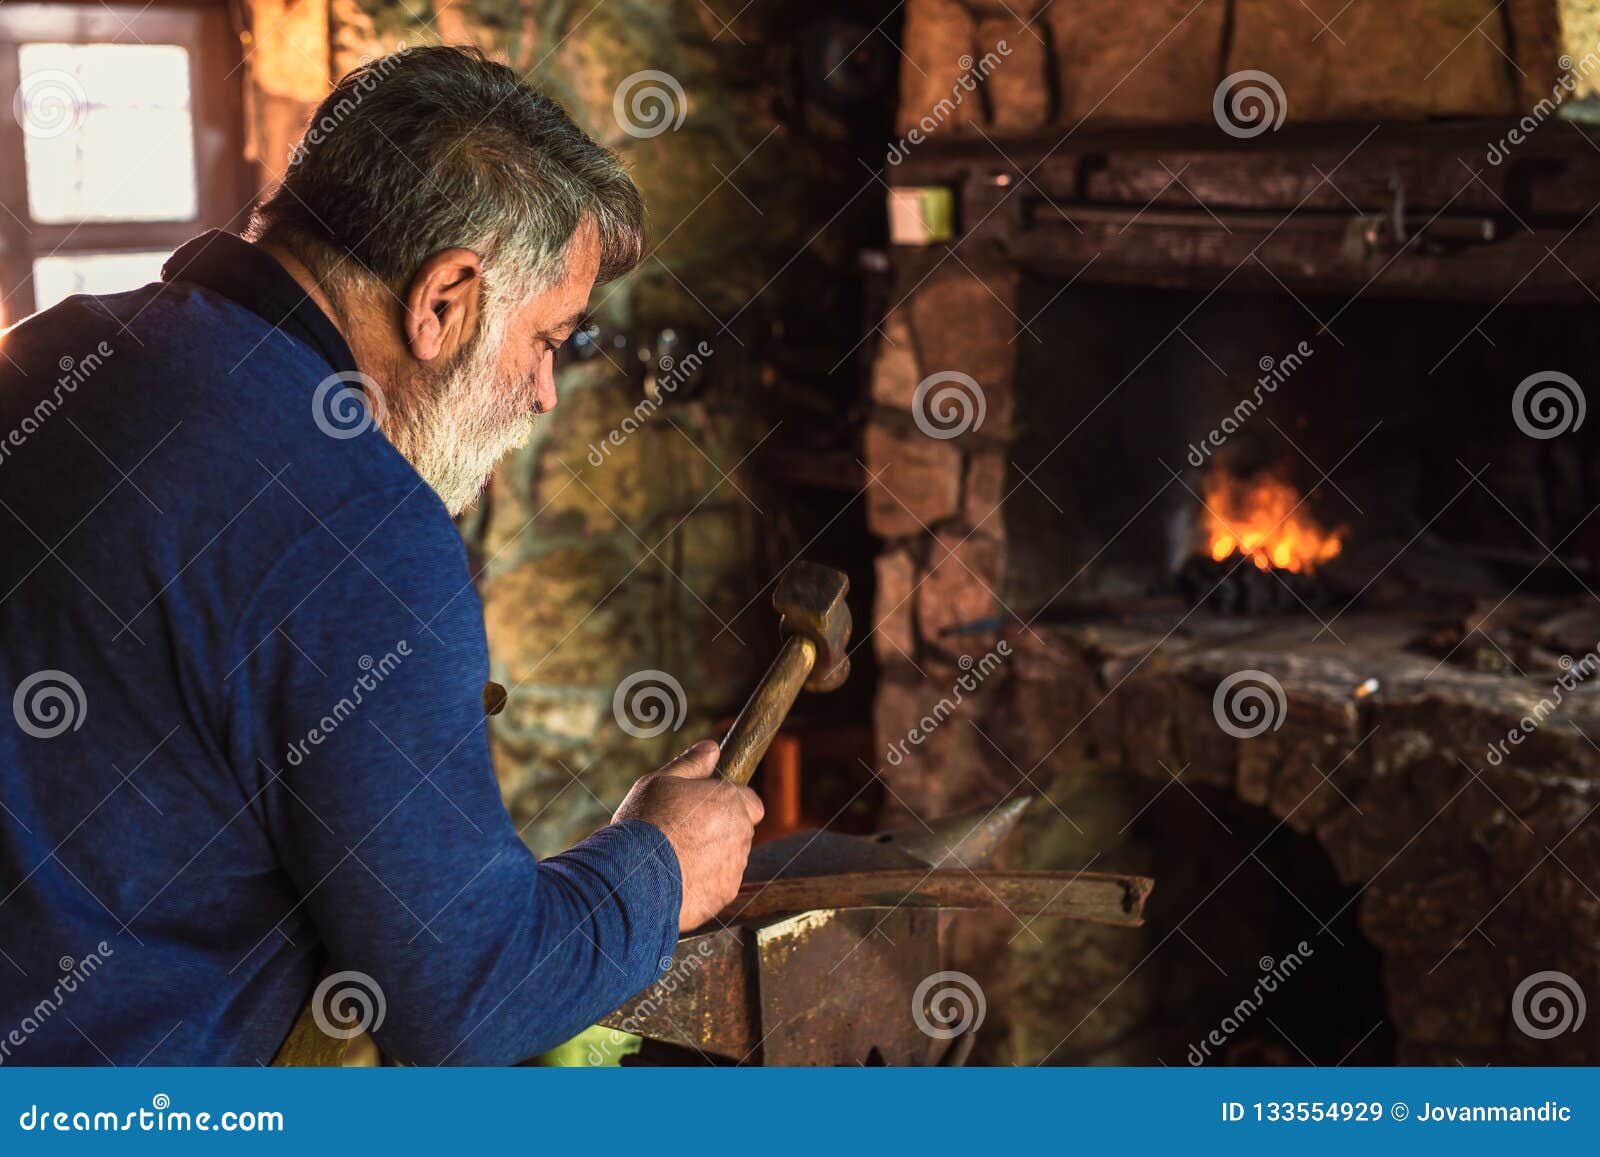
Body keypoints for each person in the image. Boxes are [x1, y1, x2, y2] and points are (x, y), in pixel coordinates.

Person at [0, 46, 761, 1066]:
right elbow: (466, 1000)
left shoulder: (53, 351)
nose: (543, 394)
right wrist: (661, 863)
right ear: (445, 297)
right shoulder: (355, 520)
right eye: (550, 339)